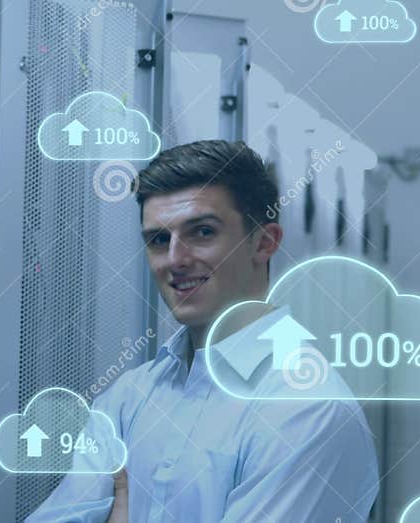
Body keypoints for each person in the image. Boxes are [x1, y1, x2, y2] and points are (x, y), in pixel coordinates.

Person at [26, 141, 378, 522]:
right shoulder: (128, 397)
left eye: (202, 232)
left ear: (264, 242)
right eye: (160, 239)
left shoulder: (308, 409)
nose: (176, 259)